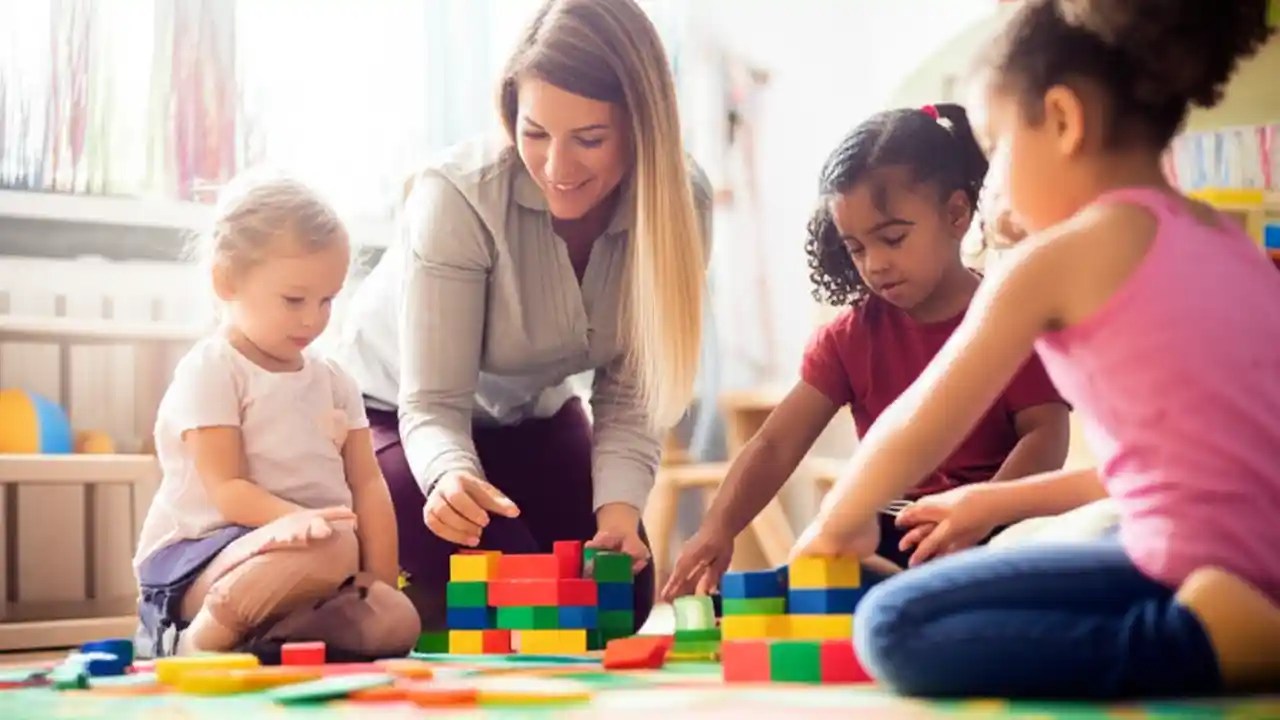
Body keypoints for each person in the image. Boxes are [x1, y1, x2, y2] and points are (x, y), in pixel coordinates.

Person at [791, 0, 1280, 698]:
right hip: (1257, 555)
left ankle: (1206, 642)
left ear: (1062, 120)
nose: (993, 185)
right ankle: (1231, 623)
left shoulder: (1057, 257)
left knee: (892, 623)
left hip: (1195, 565)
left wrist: (834, 524)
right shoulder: (1230, 245)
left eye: (997, 149)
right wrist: (991, 504)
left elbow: (922, 420)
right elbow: (1185, 473)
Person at [335, 0, 711, 631]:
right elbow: (431, 403)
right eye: (535, 134)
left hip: (530, 414)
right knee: (493, 603)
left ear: (642, 128)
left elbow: (629, 393)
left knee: (619, 600)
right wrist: (451, 477)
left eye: (589, 139)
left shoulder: (681, 204)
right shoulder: (459, 194)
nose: (556, 170)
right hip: (399, 414)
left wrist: (618, 513)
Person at [662, 103, 1068, 598]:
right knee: (805, 583)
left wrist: (981, 516)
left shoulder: (1009, 313)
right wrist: (717, 528)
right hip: (896, 530)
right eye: (856, 248)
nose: (875, 265)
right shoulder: (851, 337)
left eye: (893, 238)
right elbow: (775, 444)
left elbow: (1045, 434)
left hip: (1000, 524)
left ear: (957, 214)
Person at [134, 172, 419, 659]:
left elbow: (368, 486)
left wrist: (380, 579)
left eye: (327, 300)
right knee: (330, 547)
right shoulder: (215, 368)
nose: (313, 319)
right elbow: (227, 490)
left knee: (397, 622)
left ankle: (265, 645)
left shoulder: (333, 381)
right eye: (294, 300)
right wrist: (295, 522)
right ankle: (193, 639)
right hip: (201, 562)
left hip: (312, 563)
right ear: (227, 280)